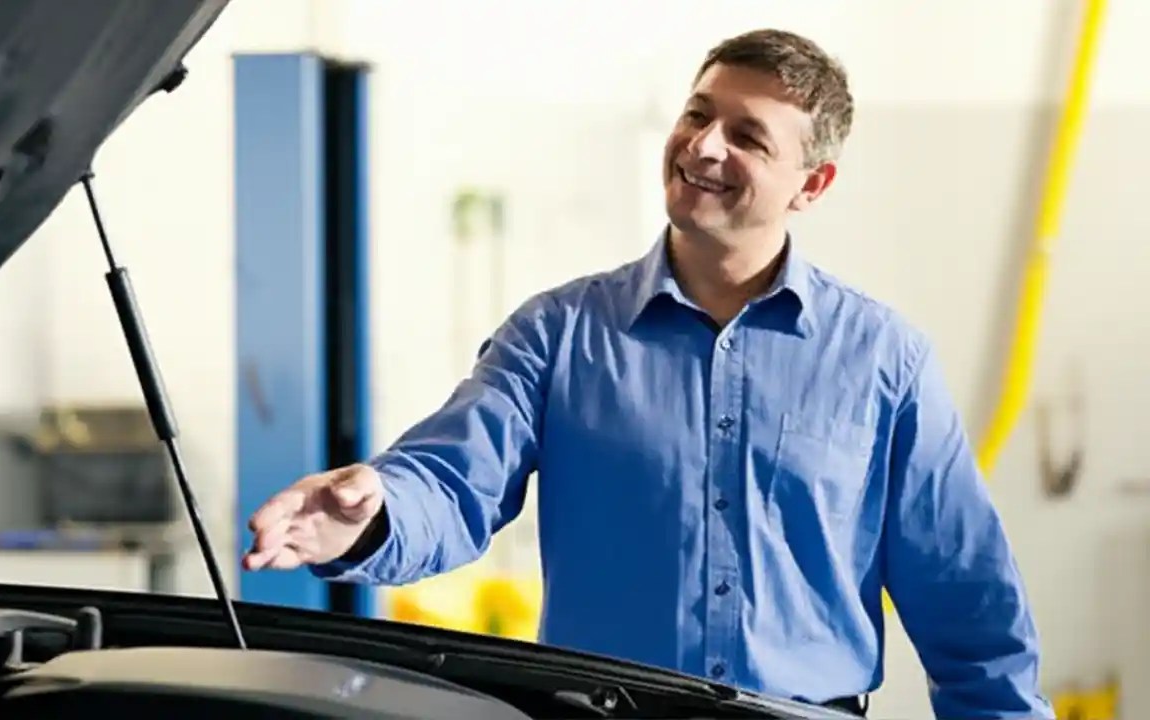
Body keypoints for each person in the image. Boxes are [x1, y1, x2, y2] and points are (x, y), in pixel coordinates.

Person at [243, 28, 1053, 719]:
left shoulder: (883, 360)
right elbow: (452, 483)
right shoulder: (559, 334)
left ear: (811, 185)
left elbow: (967, 601)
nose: (704, 146)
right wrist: (371, 518)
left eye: (748, 136)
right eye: (698, 114)